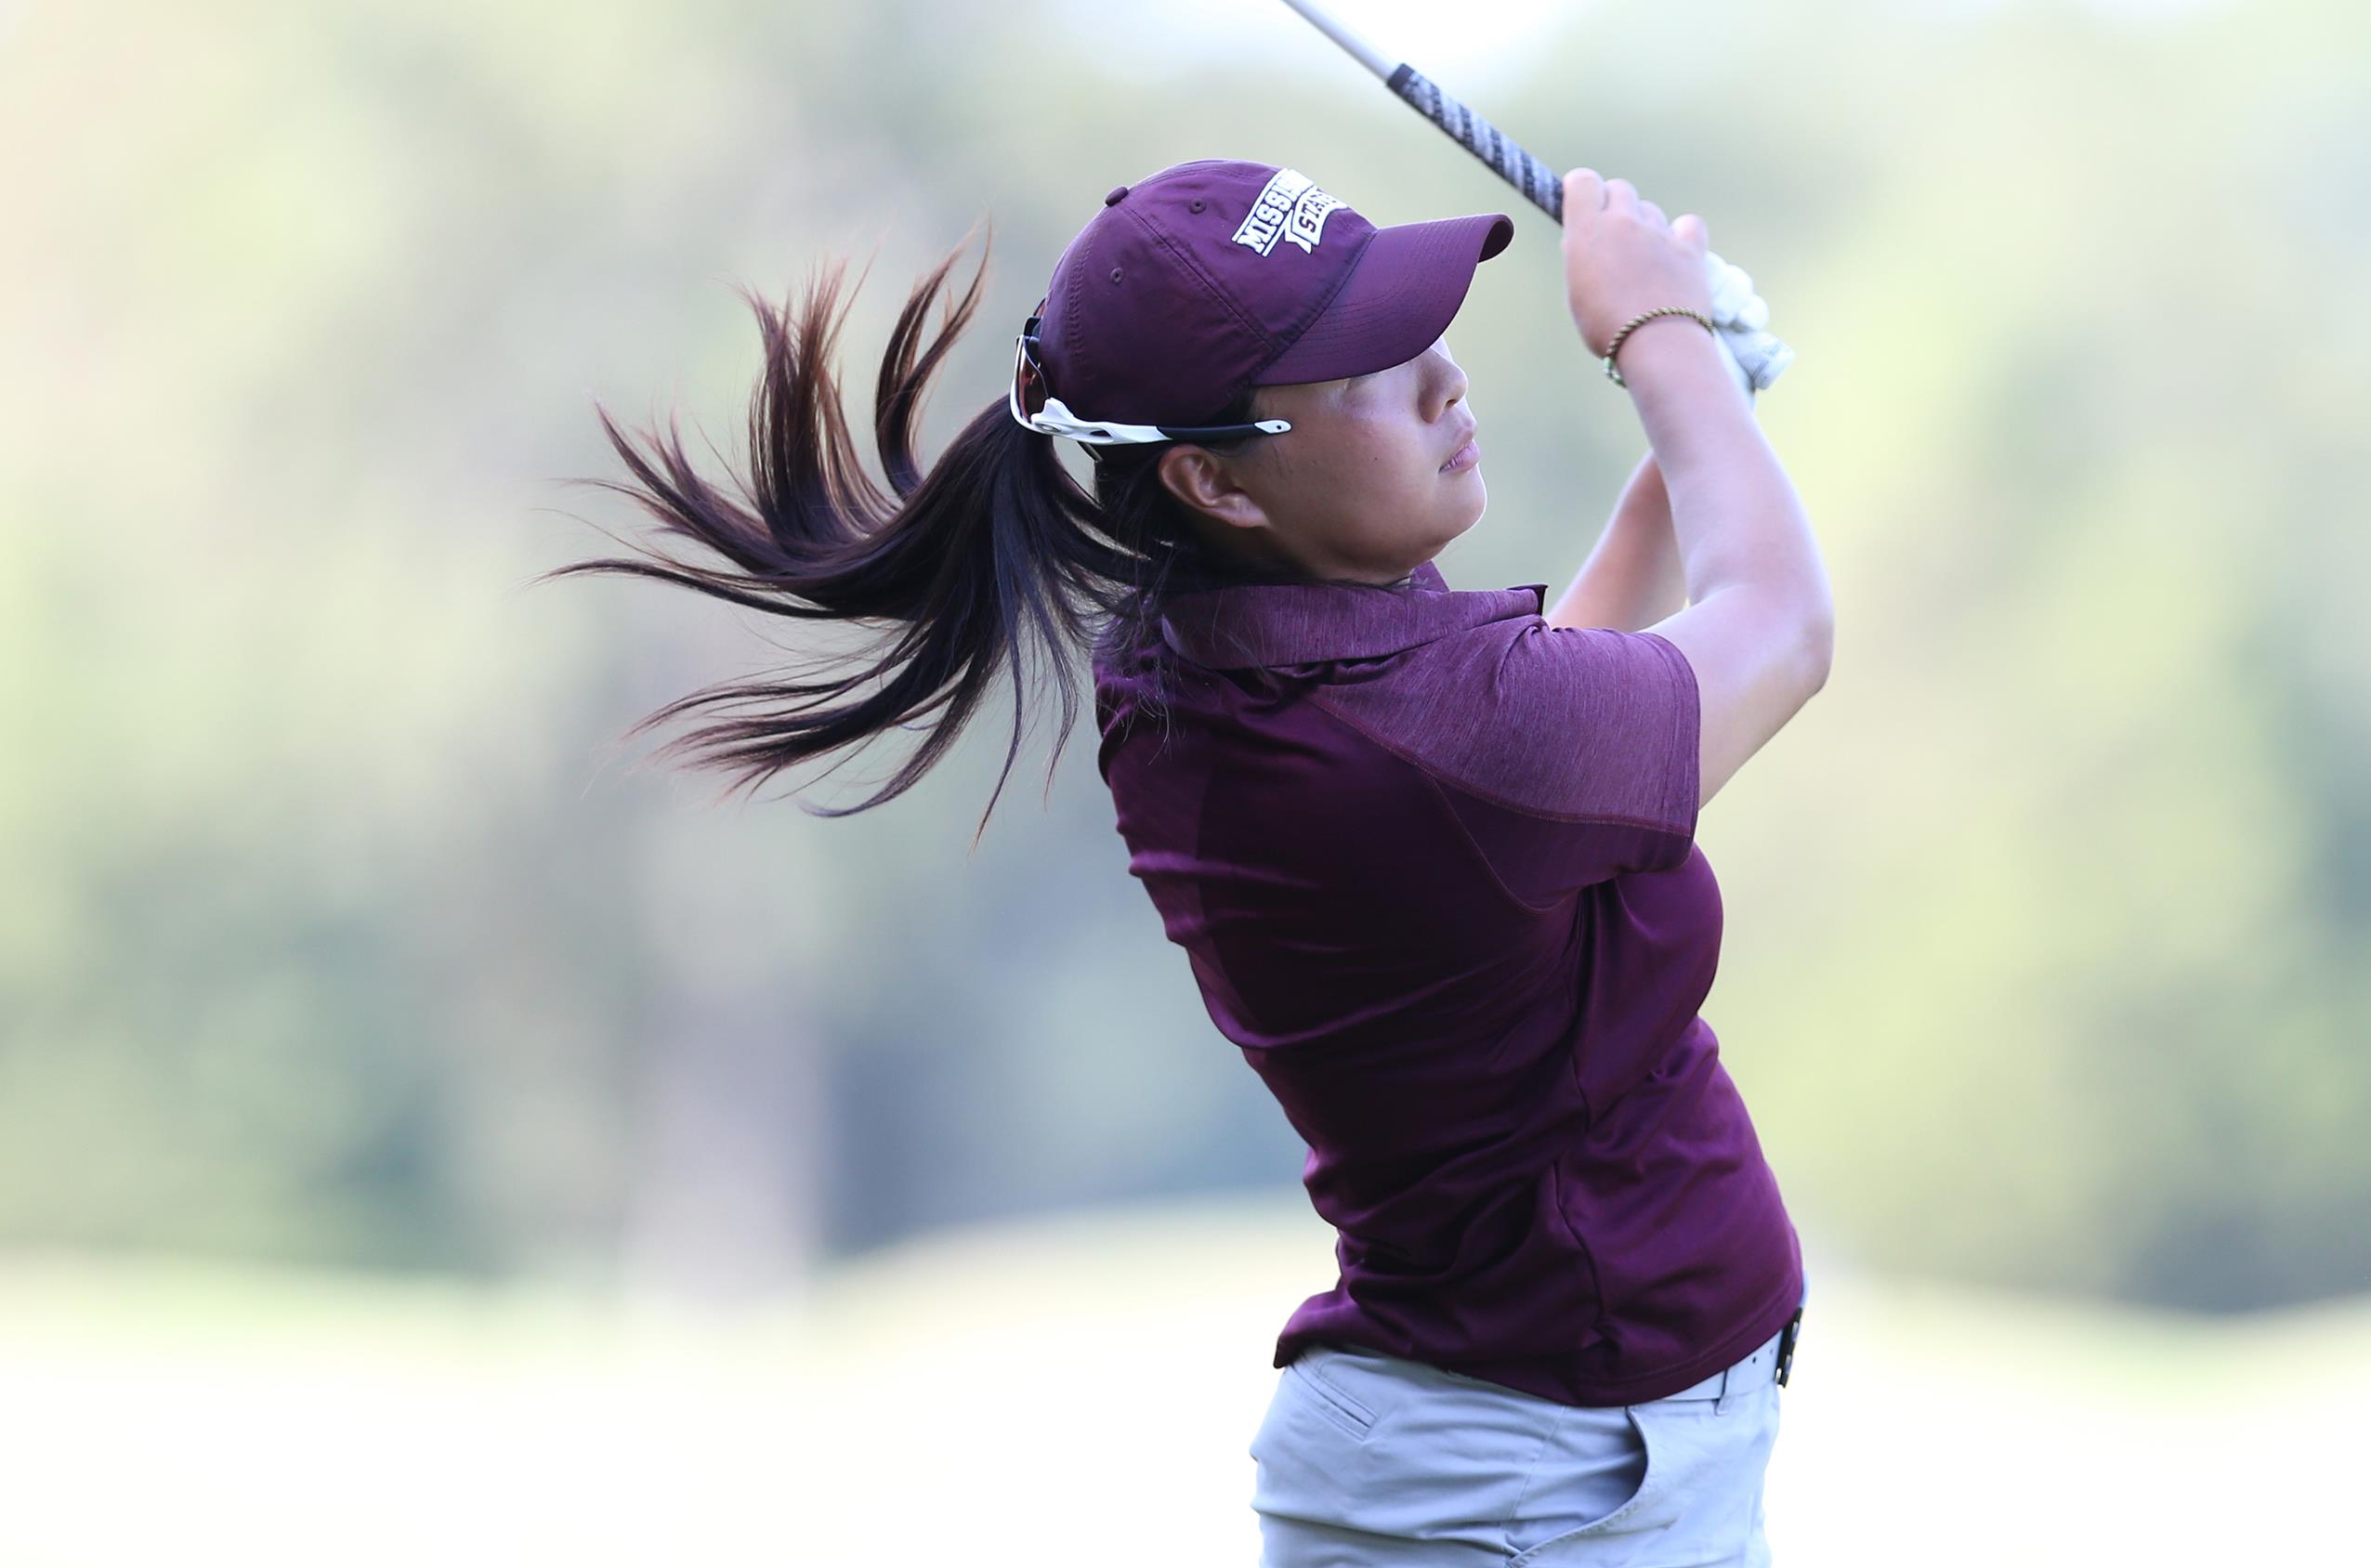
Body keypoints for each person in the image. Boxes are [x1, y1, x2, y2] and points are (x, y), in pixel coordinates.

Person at [549, 156, 1831, 1565]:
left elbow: (1552, 749)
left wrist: (1693, 425)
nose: (1443, 381)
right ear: (1214, 480)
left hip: (1527, 1465)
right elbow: (1777, 627)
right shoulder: (1413, 736)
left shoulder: (1221, 667)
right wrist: (1662, 341)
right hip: (1540, 1487)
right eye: (1361, 373)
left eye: (1413, 328)